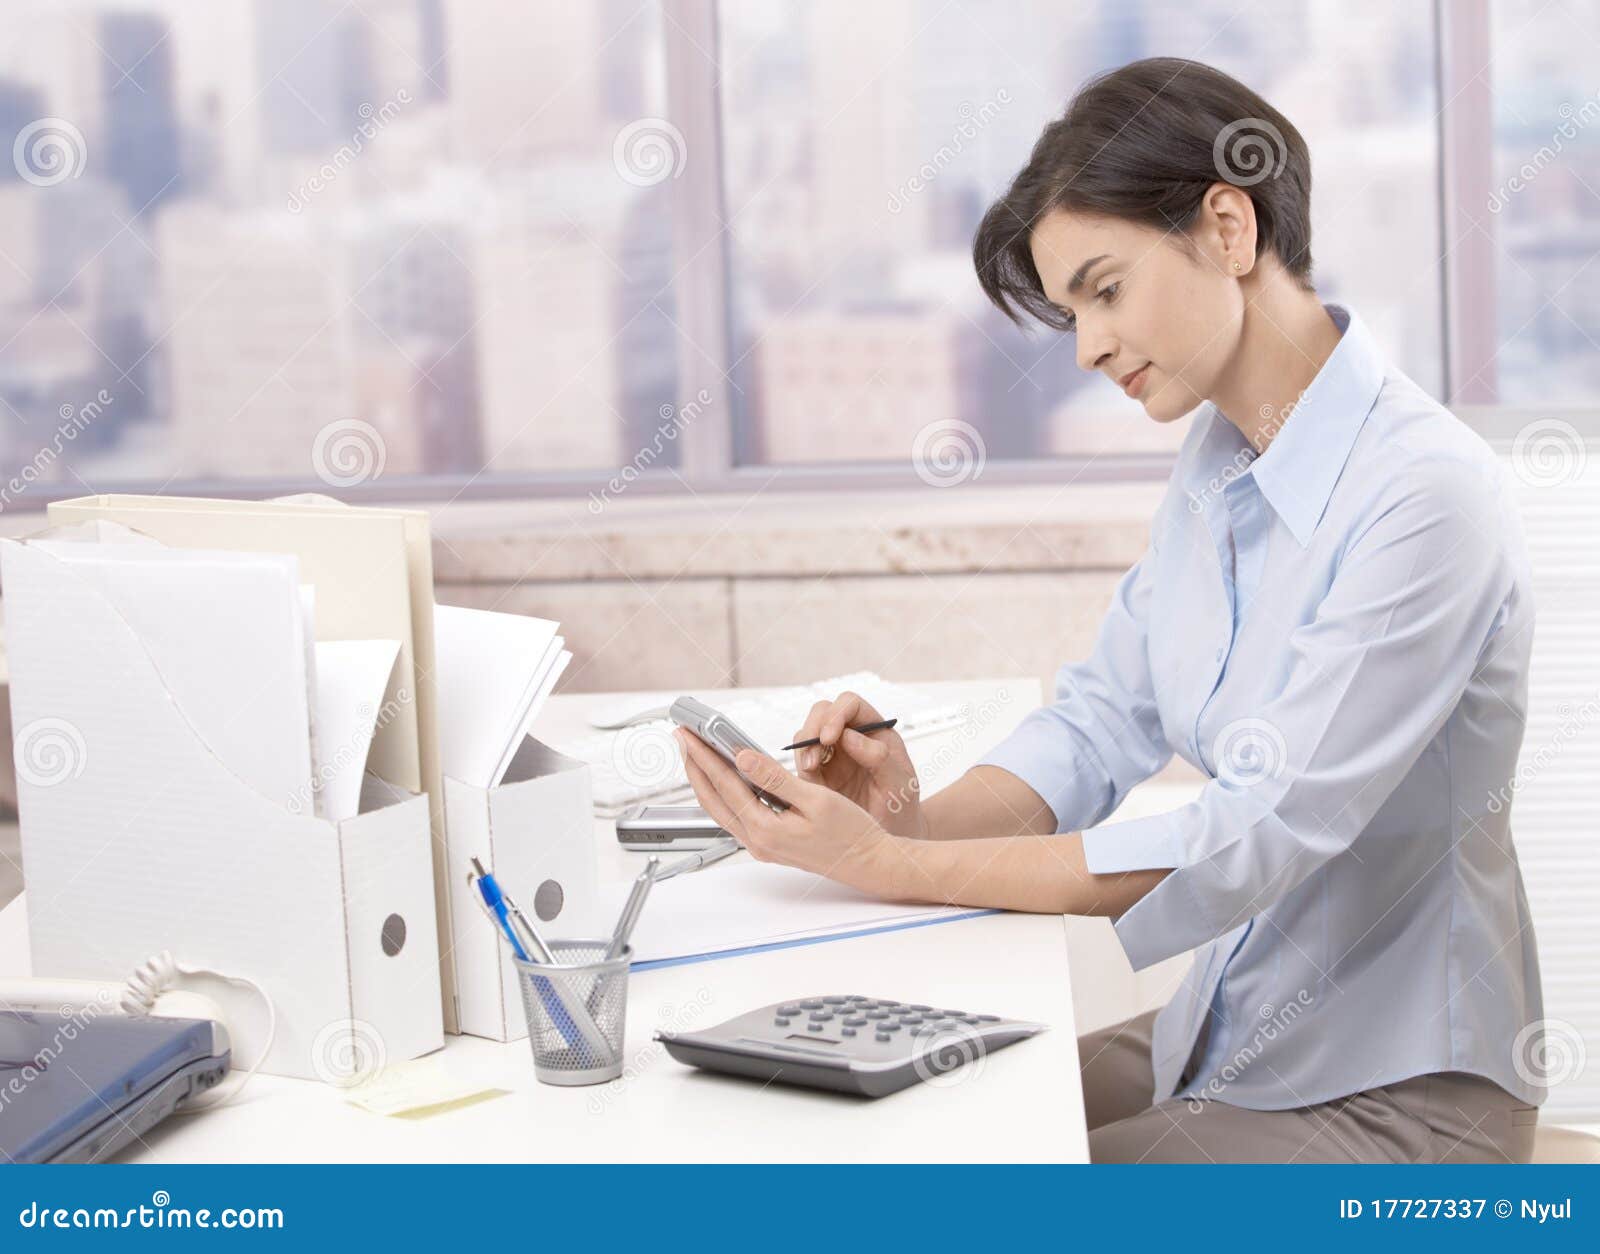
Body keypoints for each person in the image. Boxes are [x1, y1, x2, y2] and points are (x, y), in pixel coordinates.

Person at [675, 57, 1543, 1164]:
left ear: (1227, 227)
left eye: (1104, 289)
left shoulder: (1423, 496)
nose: (1085, 346)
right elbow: (1097, 723)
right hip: (1221, 1037)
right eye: (1070, 310)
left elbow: (1256, 832)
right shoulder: (1221, 462)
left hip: (1390, 1104)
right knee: (893, 1129)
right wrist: (905, 821)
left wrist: (889, 869)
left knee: (962, 1192)